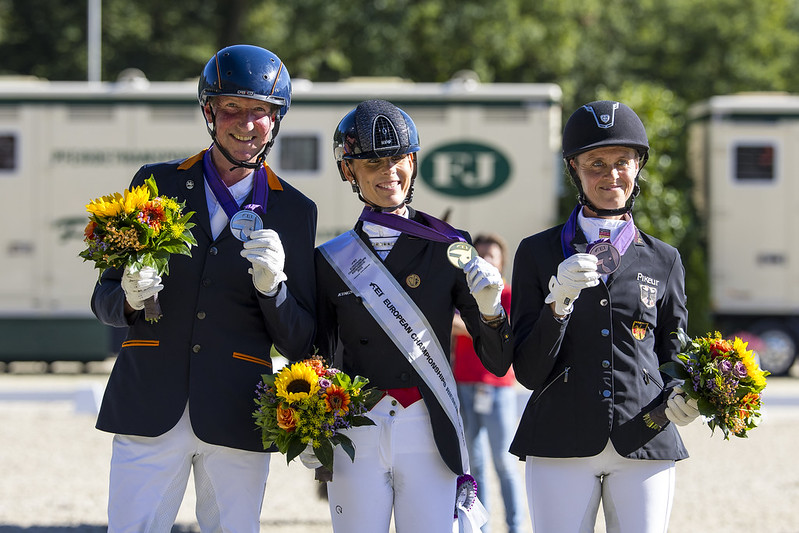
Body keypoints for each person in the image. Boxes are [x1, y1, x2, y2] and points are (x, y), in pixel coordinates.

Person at [90, 44, 317, 533]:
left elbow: (300, 337)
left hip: (237, 407)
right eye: (233, 107)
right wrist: (128, 298)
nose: (247, 123)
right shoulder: (155, 183)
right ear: (210, 111)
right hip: (150, 398)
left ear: (276, 120)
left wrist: (273, 288)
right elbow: (103, 300)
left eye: (262, 111)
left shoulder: (296, 210)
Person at [312, 99, 514, 532]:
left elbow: (497, 360)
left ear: (414, 161)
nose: (390, 172)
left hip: (429, 426)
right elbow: (318, 354)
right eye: (373, 162)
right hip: (356, 430)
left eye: (399, 158)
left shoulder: (449, 248)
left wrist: (491, 309)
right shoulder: (329, 261)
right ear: (350, 172)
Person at [509, 100, 701, 533]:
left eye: (622, 162)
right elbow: (528, 368)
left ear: (638, 167)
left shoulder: (665, 259)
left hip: (646, 432)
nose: (610, 175)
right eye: (595, 163)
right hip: (560, 435)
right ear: (574, 168)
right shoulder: (537, 253)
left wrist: (682, 392)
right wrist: (557, 303)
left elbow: (674, 350)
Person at [451, 233, 525, 533]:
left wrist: (472, 326)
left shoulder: (507, 294)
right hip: (462, 385)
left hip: (497, 387)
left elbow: (507, 334)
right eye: (477, 255)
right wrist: (484, 327)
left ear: (501, 263)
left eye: (489, 256)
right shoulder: (462, 294)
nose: (483, 261)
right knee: (475, 467)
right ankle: (480, 528)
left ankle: (515, 527)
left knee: (505, 465)